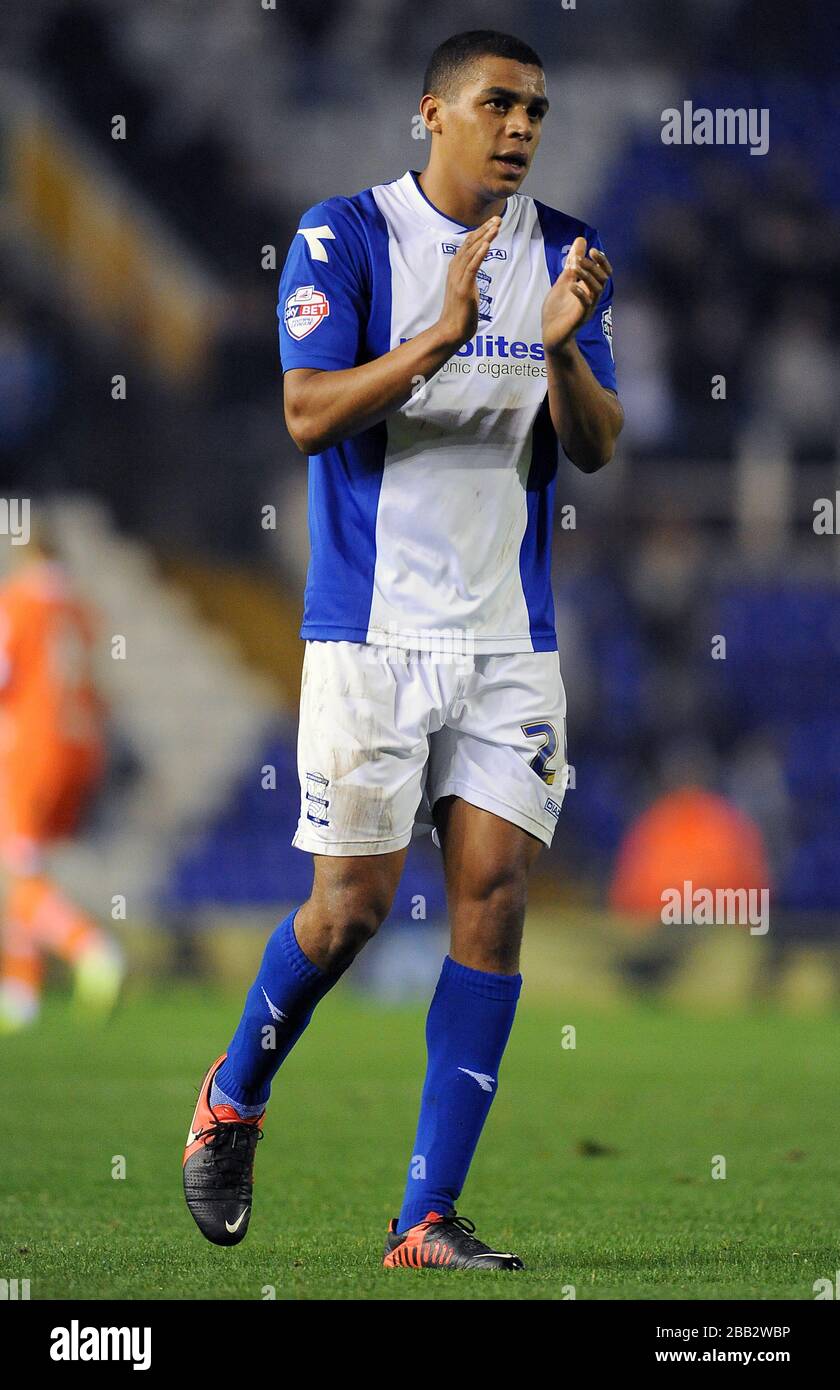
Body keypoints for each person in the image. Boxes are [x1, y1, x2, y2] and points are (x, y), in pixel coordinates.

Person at [183, 28, 623, 1270]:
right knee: (350, 911)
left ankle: (425, 1217)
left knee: (494, 898)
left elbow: (595, 445)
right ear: (432, 113)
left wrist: (555, 342)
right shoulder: (344, 237)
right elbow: (306, 413)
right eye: (499, 103)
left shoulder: (570, 250)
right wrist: (439, 334)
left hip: (507, 640)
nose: (522, 127)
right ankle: (234, 1095)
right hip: (371, 632)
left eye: (537, 110)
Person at [0, 527, 124, 1033]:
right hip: (80, 748)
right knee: (30, 868)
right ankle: (21, 993)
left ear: (26, 554)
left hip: (30, 751)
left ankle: (90, 948)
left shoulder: (18, 600)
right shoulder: (78, 607)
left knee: (20, 875)